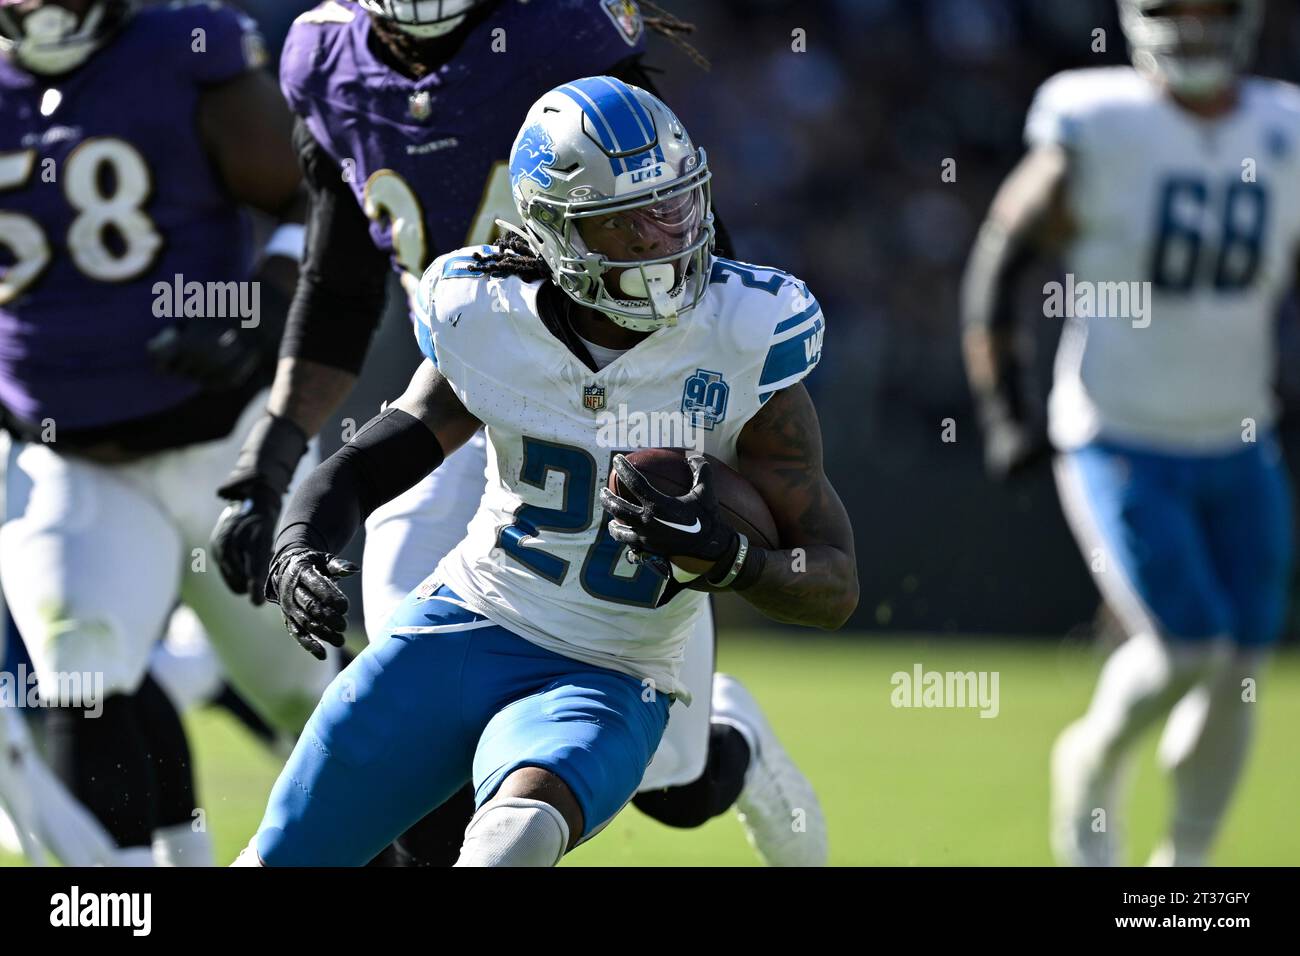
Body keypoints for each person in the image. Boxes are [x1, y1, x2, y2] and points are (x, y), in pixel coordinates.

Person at [212, 0, 828, 866]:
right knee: (424, 791)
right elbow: (342, 287)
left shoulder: (555, 30)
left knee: (679, 786)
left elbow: (670, 247)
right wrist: (272, 461)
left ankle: (734, 740)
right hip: (486, 398)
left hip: (625, 409)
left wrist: (721, 525)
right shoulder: (329, 61)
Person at [0, 0, 332, 865]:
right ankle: (128, 897)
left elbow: (310, 191)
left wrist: (258, 307)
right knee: (81, 666)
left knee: (314, 696)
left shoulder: (184, 51)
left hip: (229, 448)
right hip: (71, 457)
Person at [962, 0, 1293, 865]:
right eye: (1173, 8)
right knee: (1190, 647)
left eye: (1211, 8)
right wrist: (1003, 404)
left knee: (1243, 665)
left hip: (1240, 437)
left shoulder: (1283, 125)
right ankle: (1093, 759)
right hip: (1121, 434)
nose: (1194, 26)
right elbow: (1003, 251)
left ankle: (1186, 868)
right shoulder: (1099, 118)